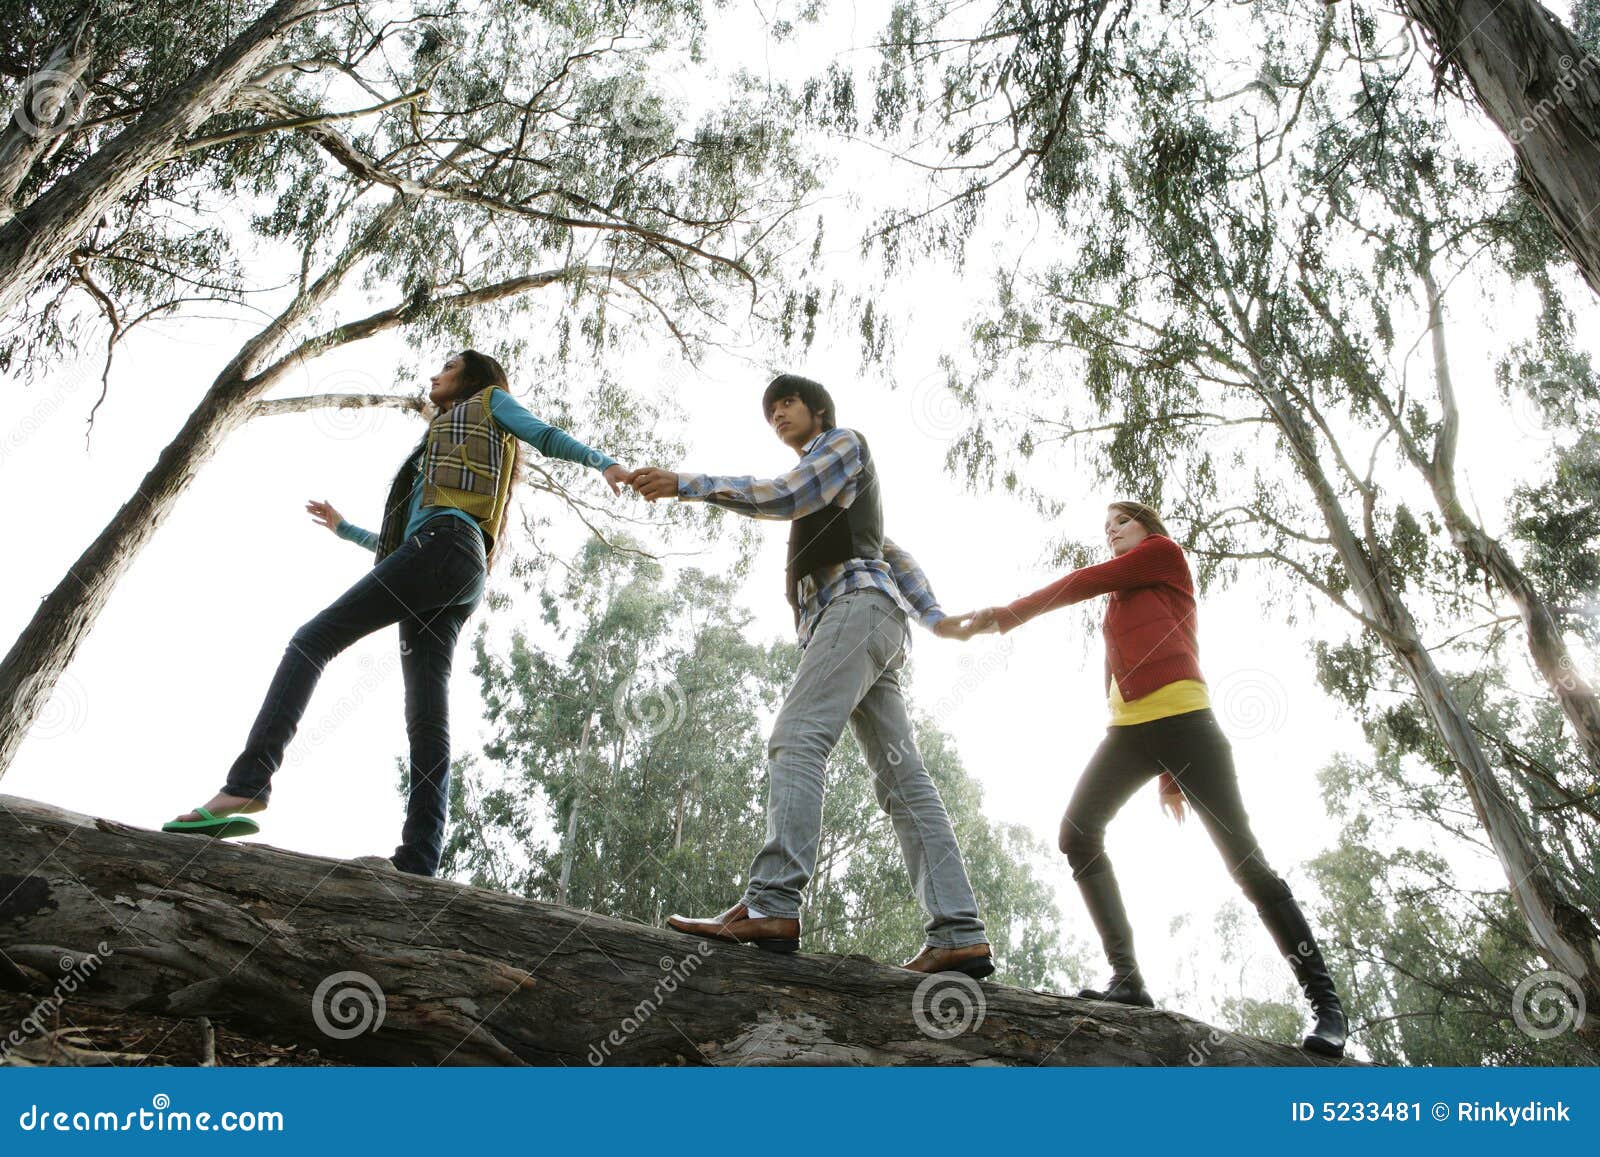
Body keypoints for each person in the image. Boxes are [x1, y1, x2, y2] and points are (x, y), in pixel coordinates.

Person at [164, 350, 630, 877]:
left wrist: (604, 463)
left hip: (444, 546)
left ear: (471, 377)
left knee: (311, 641)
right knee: (426, 716)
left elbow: (543, 433)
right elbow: (397, 548)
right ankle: (421, 858)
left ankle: (246, 787)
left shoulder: (490, 402)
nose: (435, 374)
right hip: (454, 568)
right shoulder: (438, 446)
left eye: (447, 366)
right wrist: (344, 529)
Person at [628, 373, 994, 978]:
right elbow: (893, 553)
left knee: (797, 739)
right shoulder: (838, 492)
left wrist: (686, 484)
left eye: (788, 403)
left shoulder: (843, 445)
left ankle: (772, 903)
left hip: (856, 613)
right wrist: (932, 617)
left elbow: (785, 495)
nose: (777, 414)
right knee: (903, 780)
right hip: (867, 622)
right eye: (769, 410)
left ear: (819, 410)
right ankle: (958, 931)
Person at [961, 501, 1348, 1056]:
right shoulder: (1124, 597)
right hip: (1129, 733)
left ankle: (1325, 1004)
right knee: (1077, 833)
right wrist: (1165, 775)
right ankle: (1128, 979)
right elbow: (1119, 667)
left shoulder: (1162, 555)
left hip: (1187, 722)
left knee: (1245, 864)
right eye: (1106, 528)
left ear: (1147, 527)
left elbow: (1081, 581)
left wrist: (1008, 614)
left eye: (1120, 521)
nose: (1111, 532)